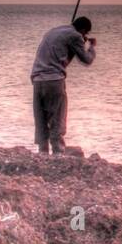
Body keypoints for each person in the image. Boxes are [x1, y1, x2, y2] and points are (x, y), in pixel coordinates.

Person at [30, 16, 96, 154]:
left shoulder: (54, 31)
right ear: (83, 30)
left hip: (37, 80)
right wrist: (91, 47)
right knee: (57, 119)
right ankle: (58, 153)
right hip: (54, 80)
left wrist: (74, 47)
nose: (84, 36)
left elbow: (63, 61)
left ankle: (42, 152)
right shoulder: (76, 36)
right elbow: (86, 60)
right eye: (85, 33)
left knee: (41, 120)